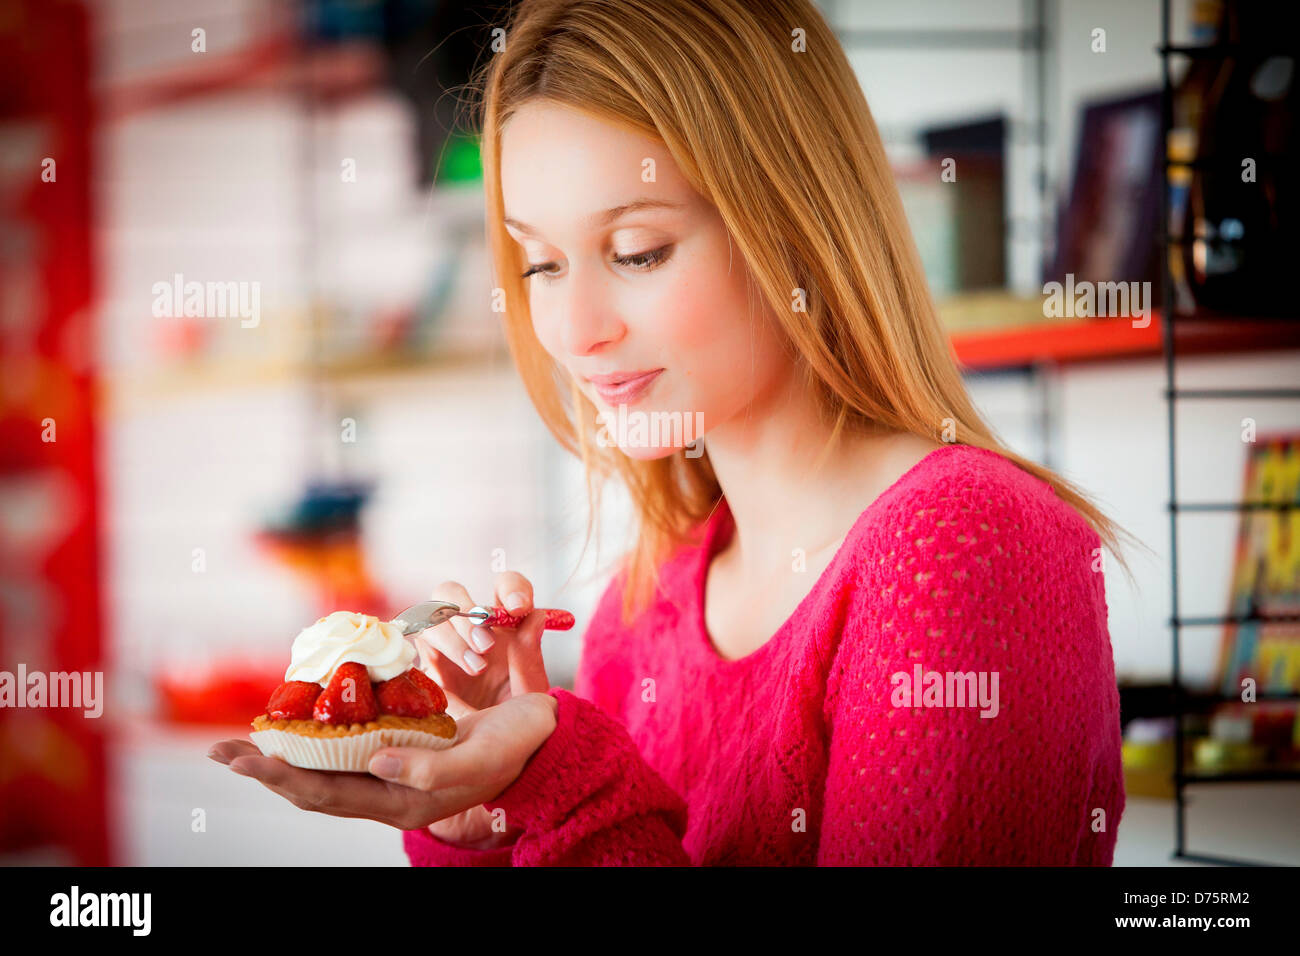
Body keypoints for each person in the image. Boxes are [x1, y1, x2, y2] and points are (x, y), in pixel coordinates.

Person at [211, 0, 1143, 865]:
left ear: (795, 224)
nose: (575, 331)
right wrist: (489, 816)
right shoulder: (634, 610)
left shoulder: (961, 544)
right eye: (538, 263)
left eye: (637, 252)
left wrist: (567, 781)